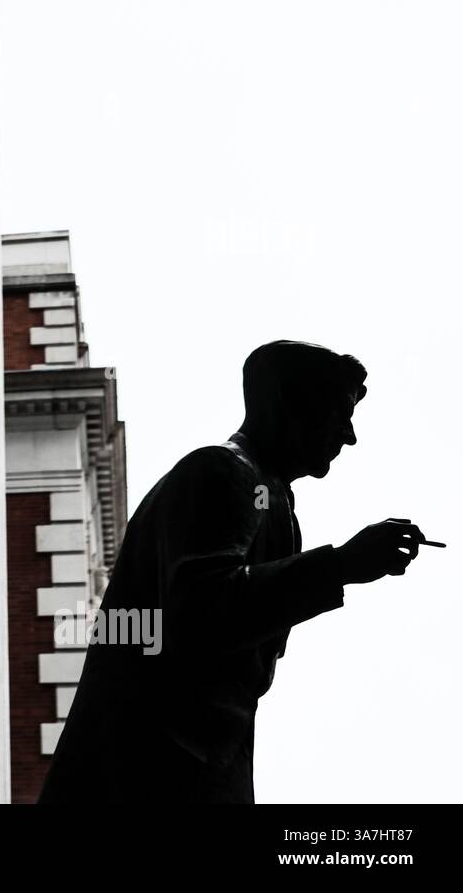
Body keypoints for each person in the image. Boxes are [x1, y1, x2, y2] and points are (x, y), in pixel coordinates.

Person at [38, 340, 425, 803]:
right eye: (339, 413)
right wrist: (341, 565)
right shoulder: (221, 472)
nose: (349, 435)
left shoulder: (266, 497)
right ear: (287, 401)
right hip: (151, 771)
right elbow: (201, 612)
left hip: (195, 766)